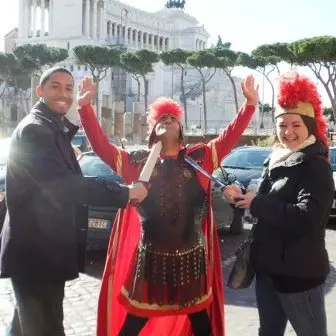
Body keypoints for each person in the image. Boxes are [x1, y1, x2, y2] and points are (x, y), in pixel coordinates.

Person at [78, 75, 259, 336]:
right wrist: (85, 108)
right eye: (162, 119)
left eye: (172, 118)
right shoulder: (136, 163)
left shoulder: (201, 157)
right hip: (150, 260)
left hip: (191, 259)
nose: (168, 120)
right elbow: (101, 147)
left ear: (181, 129)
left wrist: (250, 105)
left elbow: (230, 135)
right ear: (153, 130)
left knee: (201, 323)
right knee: (132, 325)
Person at [0, 67, 148, 336]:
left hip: (37, 253)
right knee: (45, 328)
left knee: (24, 328)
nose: (63, 93)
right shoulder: (36, 130)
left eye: (69, 88)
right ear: (40, 91)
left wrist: (83, 108)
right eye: (55, 86)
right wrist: (125, 193)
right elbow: (65, 186)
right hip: (37, 256)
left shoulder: (49, 127)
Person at [224, 72, 334, 336]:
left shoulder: (315, 166)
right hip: (267, 271)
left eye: (296, 125)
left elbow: (307, 218)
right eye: (282, 125)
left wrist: (257, 203)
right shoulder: (275, 160)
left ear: (309, 125)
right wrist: (241, 197)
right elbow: (262, 206)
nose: (288, 132)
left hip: (300, 276)